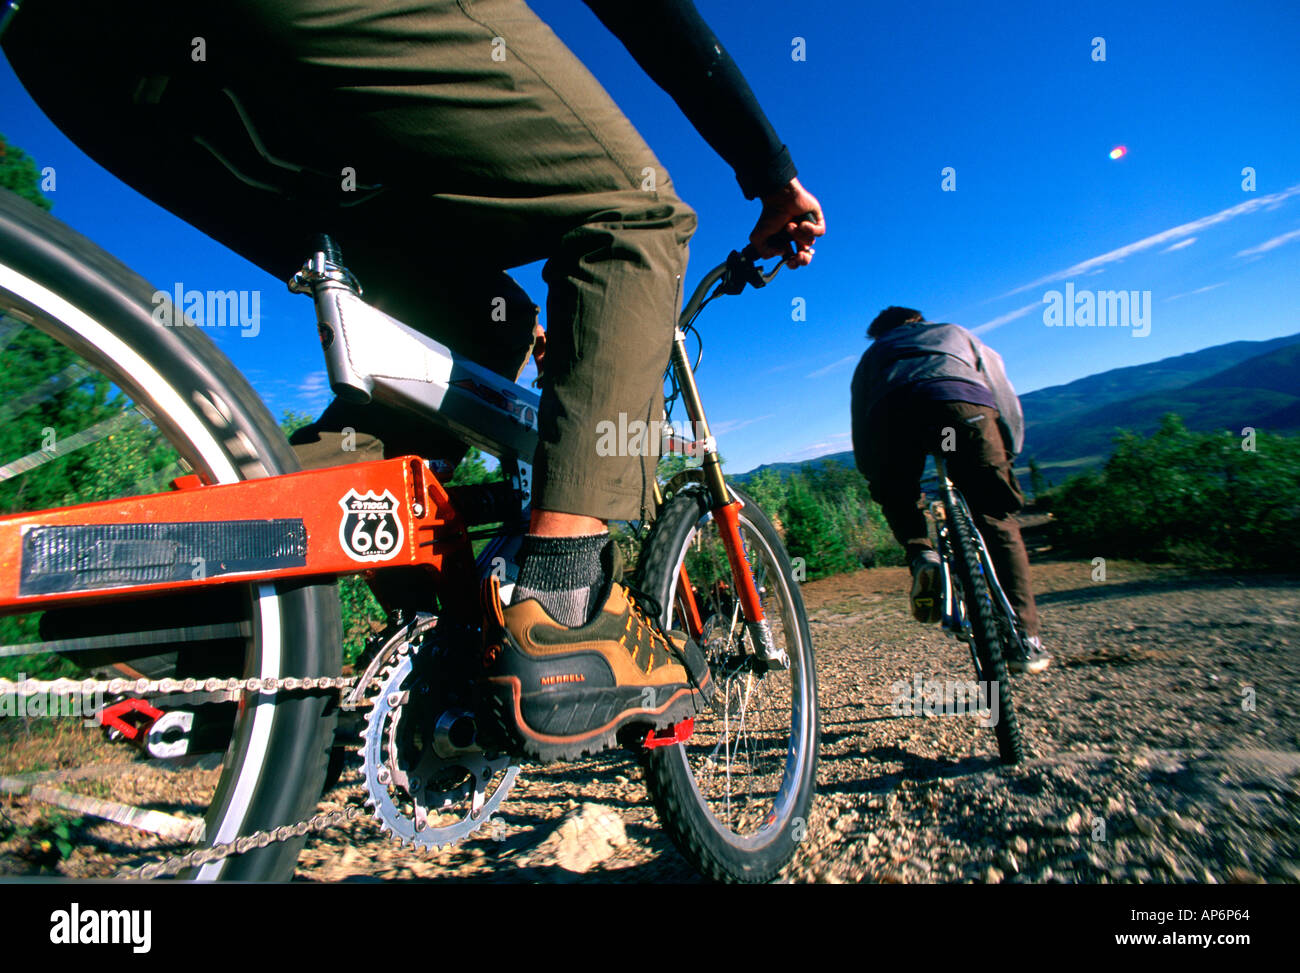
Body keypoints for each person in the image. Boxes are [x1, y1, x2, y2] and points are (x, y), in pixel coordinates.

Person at [4, 0, 824, 758]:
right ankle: (564, 608)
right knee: (636, 218)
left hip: (79, 59)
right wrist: (769, 168)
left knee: (480, 331)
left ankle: (177, 606)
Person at [850, 307, 1049, 674]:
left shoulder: (872, 356)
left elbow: (861, 424)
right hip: (961, 406)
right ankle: (1025, 637)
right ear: (919, 321)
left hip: (892, 414)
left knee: (899, 496)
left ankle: (921, 554)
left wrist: (881, 479)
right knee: (996, 515)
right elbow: (1000, 390)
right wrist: (1008, 449)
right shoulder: (955, 333)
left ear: (880, 334)